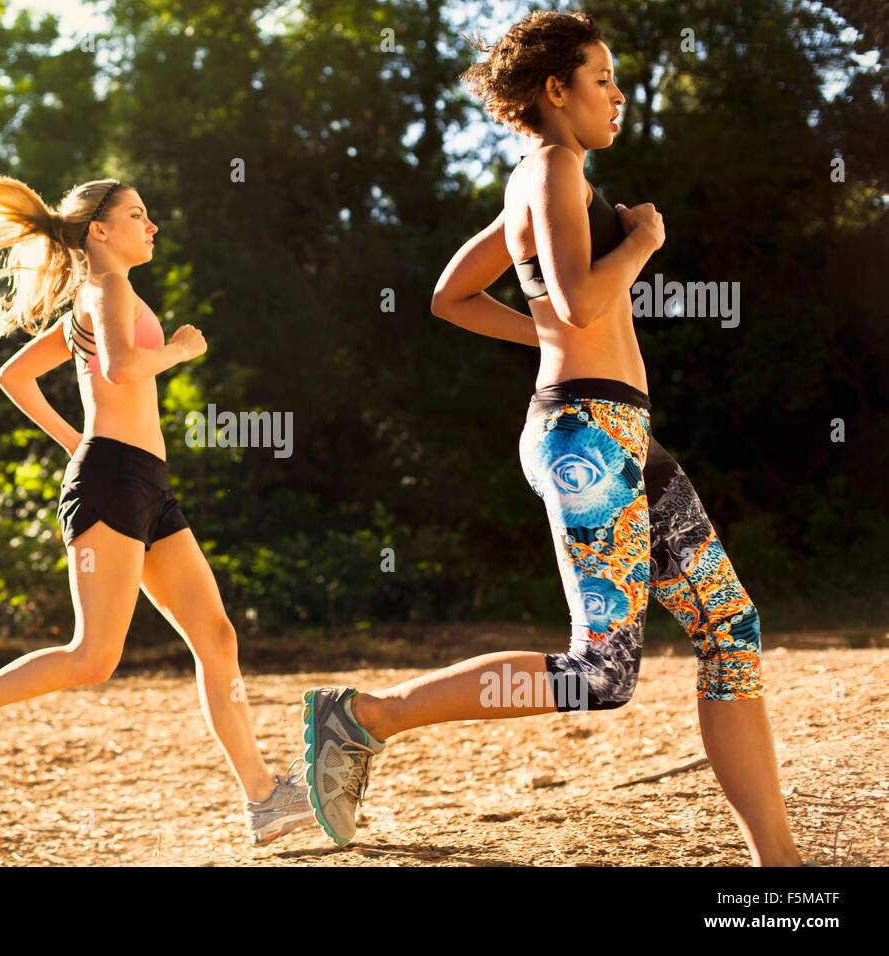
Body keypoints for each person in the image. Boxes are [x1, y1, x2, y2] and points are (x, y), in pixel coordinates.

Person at [300, 10, 814, 866]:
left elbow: (451, 297)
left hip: (619, 436)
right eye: (602, 78)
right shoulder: (551, 168)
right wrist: (643, 243)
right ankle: (365, 717)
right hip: (586, 438)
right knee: (599, 674)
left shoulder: (542, 179)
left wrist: (547, 335)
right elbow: (578, 303)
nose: (618, 94)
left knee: (731, 626)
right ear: (555, 90)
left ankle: (781, 871)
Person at [0, 175, 315, 846]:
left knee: (217, 639)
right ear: (101, 230)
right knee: (94, 656)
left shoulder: (95, 299)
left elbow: (15, 377)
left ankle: (265, 799)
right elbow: (123, 370)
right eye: (138, 216)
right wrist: (183, 347)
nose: (151, 227)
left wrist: (76, 442)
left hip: (142, 482)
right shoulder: (109, 289)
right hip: (114, 483)